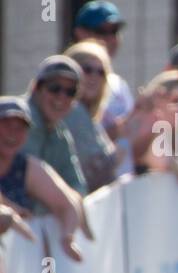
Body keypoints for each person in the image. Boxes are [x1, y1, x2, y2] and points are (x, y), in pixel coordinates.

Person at [0, 97, 91, 260]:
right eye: (6, 125)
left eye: (20, 127)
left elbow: (68, 204)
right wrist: (7, 210)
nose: (12, 134)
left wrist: (67, 238)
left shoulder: (26, 167)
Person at [24, 56, 88, 199]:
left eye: (70, 92)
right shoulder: (20, 120)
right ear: (36, 88)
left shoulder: (60, 133)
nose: (61, 97)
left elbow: (77, 185)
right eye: (54, 88)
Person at [63, 41, 121, 192]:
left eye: (101, 72)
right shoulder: (73, 110)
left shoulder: (88, 117)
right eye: (87, 69)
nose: (94, 77)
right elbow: (96, 168)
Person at [71, 0, 134, 138]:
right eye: (102, 31)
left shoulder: (119, 84)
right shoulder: (65, 79)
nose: (109, 38)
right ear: (80, 33)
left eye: (114, 31)